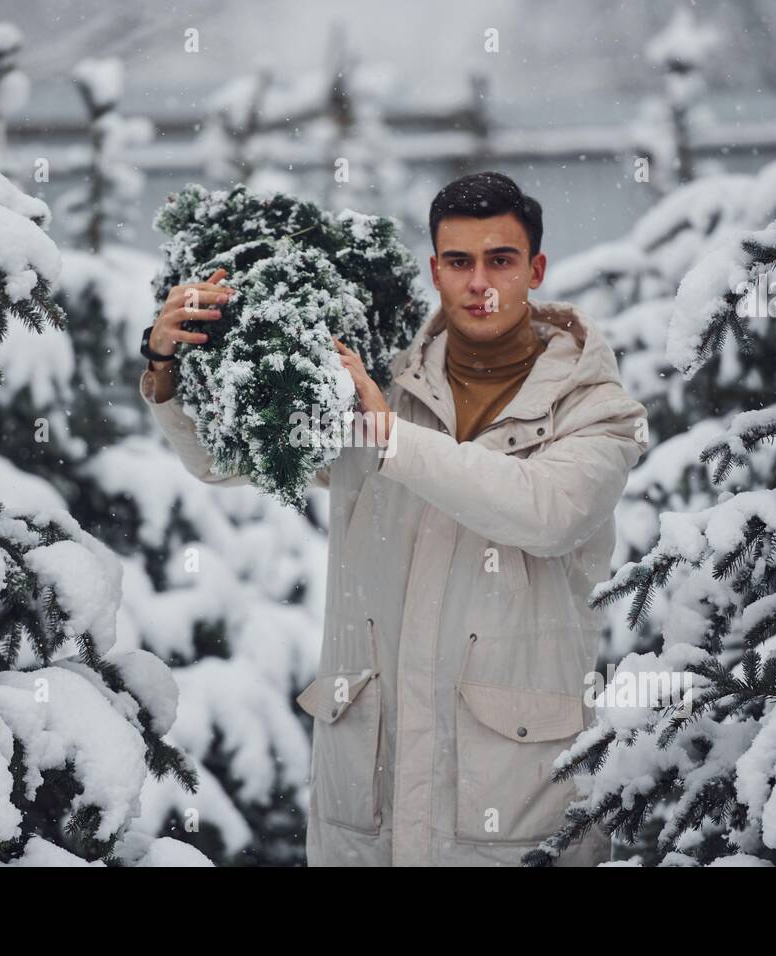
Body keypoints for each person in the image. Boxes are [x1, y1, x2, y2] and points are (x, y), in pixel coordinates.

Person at [139, 171, 649, 866]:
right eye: (460, 262)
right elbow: (226, 461)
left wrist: (393, 440)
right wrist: (170, 365)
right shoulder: (380, 380)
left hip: (518, 810)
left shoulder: (595, 407)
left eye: (500, 260)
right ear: (435, 271)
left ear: (535, 269)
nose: (480, 283)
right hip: (367, 809)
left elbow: (546, 512)